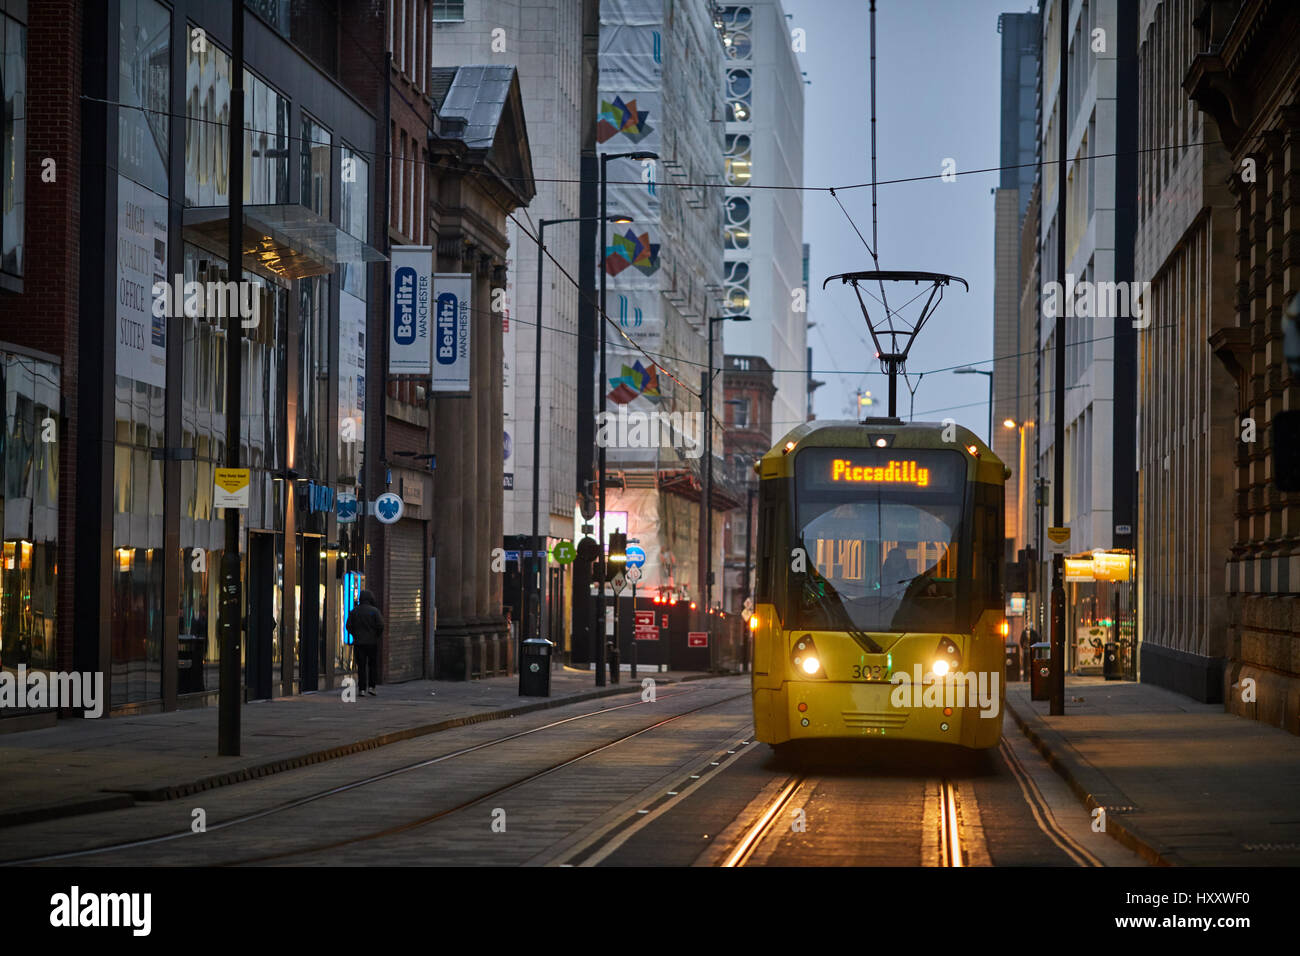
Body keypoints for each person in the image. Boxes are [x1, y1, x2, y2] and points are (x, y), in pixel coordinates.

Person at [346, 590, 384, 696]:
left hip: (359, 643)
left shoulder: (354, 611)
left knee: (361, 666)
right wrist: (376, 636)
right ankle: (372, 687)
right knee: (372, 665)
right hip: (372, 643)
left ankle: (361, 689)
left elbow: (348, 625)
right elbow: (381, 625)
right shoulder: (375, 611)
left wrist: (355, 634)